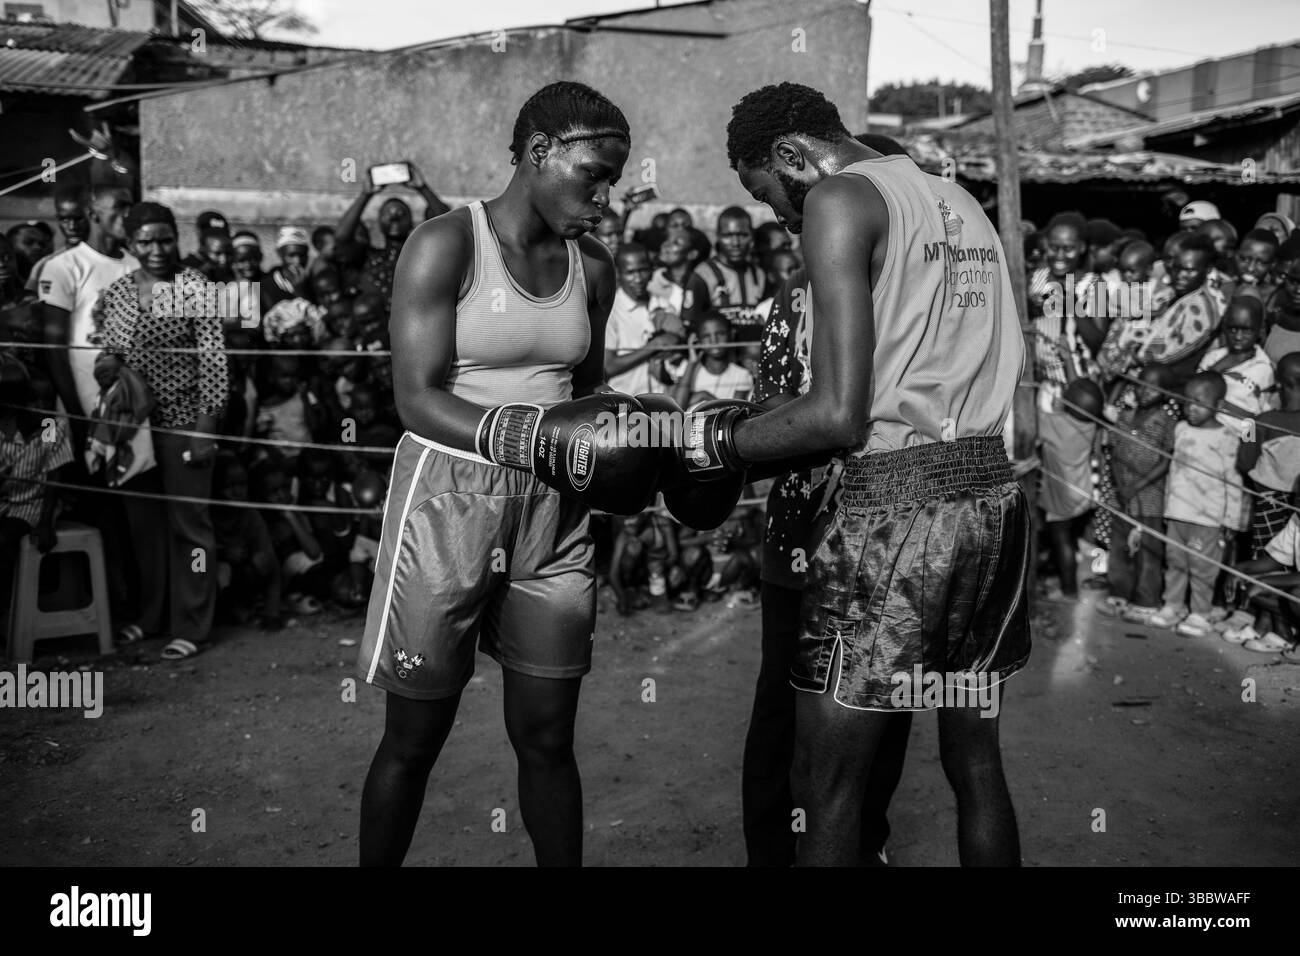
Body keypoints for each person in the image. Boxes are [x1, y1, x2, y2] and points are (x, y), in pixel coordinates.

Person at [706, 82, 1028, 866]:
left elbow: (837, 415)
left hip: (895, 511)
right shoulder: (959, 200)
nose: (782, 216)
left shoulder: (841, 199)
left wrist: (715, 441)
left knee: (827, 788)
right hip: (994, 496)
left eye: (770, 194)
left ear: (790, 156)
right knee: (976, 765)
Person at [356, 81, 630, 867]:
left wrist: (650, 435)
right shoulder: (447, 244)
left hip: (555, 510)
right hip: (449, 497)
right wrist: (532, 437)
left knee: (548, 734)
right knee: (414, 737)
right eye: (594, 175)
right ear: (539, 153)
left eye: (614, 179)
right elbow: (415, 398)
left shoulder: (595, 268)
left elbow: (587, 393)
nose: (605, 198)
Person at [98, 201, 230, 661]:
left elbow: (213, 358)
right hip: (135, 430)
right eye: (145, 241)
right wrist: (106, 364)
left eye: (165, 239)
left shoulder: (191, 287)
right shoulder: (119, 291)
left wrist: (206, 425)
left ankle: (191, 625)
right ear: (129, 244)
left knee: (190, 526)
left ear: (178, 239)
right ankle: (151, 616)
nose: (156, 249)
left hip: (184, 423)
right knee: (145, 529)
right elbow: (111, 347)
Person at [1029, 211, 1101, 599]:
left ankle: (1073, 579)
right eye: (1053, 246)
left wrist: (1070, 302)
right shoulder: (1036, 278)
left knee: (1070, 490)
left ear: (1082, 248)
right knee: (1041, 483)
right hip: (1038, 390)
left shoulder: (1094, 284)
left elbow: (1098, 340)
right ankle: (1055, 572)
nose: (1059, 254)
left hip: (1075, 397)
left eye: (1068, 248)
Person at [1147, 372, 1242, 636]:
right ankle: (1172, 604)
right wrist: (1168, 507)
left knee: (1202, 567)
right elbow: (1174, 471)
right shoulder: (1181, 429)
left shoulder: (1227, 437)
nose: (1191, 408)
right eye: (1186, 401)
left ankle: (1200, 613)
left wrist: (1230, 520)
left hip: (1207, 519)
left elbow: (1233, 482)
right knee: (1175, 561)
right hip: (1178, 512)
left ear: (1218, 405)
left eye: (1198, 402)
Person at [1109, 366, 1177, 623]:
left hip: (1149, 494)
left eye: (1152, 386)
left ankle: (1146, 599)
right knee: (1120, 545)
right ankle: (1120, 592)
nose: (1144, 390)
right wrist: (1120, 484)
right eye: (1140, 384)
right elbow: (1114, 451)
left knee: (1147, 548)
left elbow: (1165, 461)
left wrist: (1135, 487)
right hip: (1122, 493)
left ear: (1166, 393)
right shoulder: (1125, 416)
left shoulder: (1166, 421)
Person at [336, 161, 451, 312]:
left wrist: (423, 188)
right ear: (378, 223)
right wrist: (365, 195)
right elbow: (341, 237)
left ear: (411, 223)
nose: (394, 218)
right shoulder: (367, 257)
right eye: (387, 214)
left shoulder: (423, 255)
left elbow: (447, 224)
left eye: (401, 214)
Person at [1238, 352, 1300, 559]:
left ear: (1279, 384)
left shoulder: (1255, 422)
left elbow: (1244, 462)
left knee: (1266, 564)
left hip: (1268, 509)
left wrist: (1245, 425)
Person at [604, 242, 684, 395]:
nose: (638, 278)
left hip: (662, 402)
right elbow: (608, 366)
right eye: (630, 272)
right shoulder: (611, 312)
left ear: (652, 270)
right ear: (618, 273)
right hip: (624, 404)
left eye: (643, 270)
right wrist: (653, 347)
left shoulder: (665, 306)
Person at [669, 313, 752, 406]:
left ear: (730, 334)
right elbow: (677, 406)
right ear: (697, 340)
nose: (714, 341)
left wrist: (705, 397)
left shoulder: (741, 375)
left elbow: (736, 412)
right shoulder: (689, 369)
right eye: (706, 336)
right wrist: (692, 362)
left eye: (720, 334)